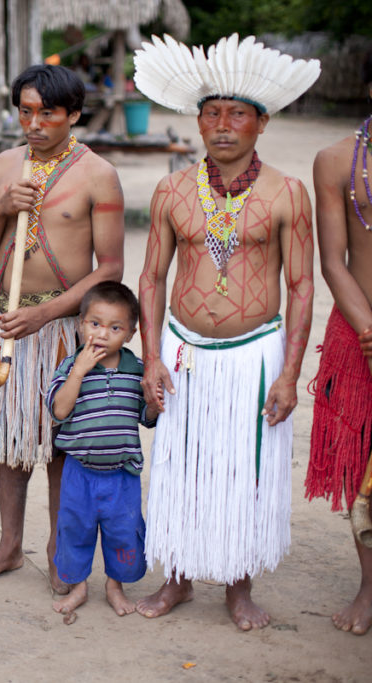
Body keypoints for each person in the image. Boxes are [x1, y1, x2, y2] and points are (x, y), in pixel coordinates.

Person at [133, 34, 319, 629]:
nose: (222, 125)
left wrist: (289, 375)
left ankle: (238, 587)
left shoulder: (287, 193)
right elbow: (152, 278)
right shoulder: (172, 190)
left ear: (261, 123)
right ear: (198, 120)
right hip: (184, 351)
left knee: (244, 468)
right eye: (211, 112)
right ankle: (178, 580)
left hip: (253, 356)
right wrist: (151, 357)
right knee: (181, 465)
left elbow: (300, 288)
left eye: (237, 113)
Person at [0, 64, 124, 588]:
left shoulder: (98, 173)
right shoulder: (5, 164)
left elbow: (110, 268)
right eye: (25, 111)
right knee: (11, 438)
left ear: (73, 114)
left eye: (48, 113)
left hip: (58, 325)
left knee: (56, 439)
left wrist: (46, 314)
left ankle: (60, 547)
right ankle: (9, 545)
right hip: (7, 320)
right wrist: (1, 209)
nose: (34, 123)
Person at [306, 53, 372, 635]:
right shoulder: (336, 161)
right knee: (363, 467)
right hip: (360, 333)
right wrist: (369, 330)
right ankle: (369, 586)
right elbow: (332, 261)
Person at [47, 281, 157, 617]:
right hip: (78, 472)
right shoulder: (69, 367)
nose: (102, 334)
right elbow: (59, 411)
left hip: (122, 474)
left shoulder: (136, 369)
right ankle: (79, 587)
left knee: (123, 532)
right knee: (74, 531)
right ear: (80, 324)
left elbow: (146, 418)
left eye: (114, 327)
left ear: (130, 334)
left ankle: (114, 586)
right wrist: (79, 372)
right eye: (94, 324)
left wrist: (153, 403)